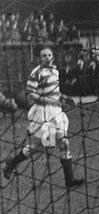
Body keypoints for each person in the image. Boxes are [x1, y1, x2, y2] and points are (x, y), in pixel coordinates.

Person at [2, 46, 84, 189]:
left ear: (53, 56)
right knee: (37, 147)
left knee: (62, 143)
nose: (47, 57)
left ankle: (69, 180)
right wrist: (50, 101)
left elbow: (54, 92)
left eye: (49, 55)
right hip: (43, 113)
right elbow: (30, 94)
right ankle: (12, 162)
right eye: (44, 55)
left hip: (54, 112)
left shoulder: (55, 71)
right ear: (39, 58)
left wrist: (65, 98)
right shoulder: (37, 72)